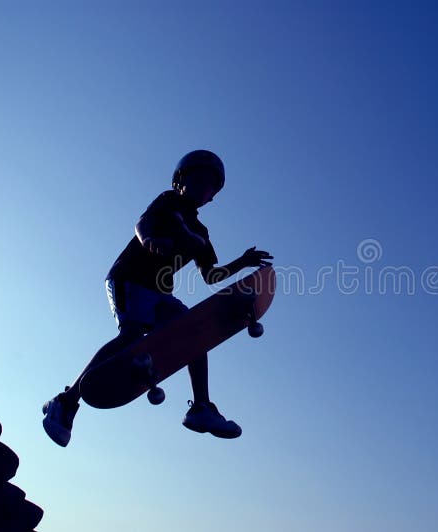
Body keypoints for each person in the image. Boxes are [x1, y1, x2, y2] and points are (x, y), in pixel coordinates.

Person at [42, 150, 273, 447]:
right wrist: (148, 240)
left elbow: (210, 276)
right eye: (199, 179)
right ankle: (66, 401)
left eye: (211, 186)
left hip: (161, 290)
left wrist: (242, 262)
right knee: (132, 334)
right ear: (180, 181)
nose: (205, 188)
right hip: (128, 277)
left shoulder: (201, 234)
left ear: (213, 197)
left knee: (195, 330)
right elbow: (143, 223)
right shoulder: (169, 202)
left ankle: (201, 407)